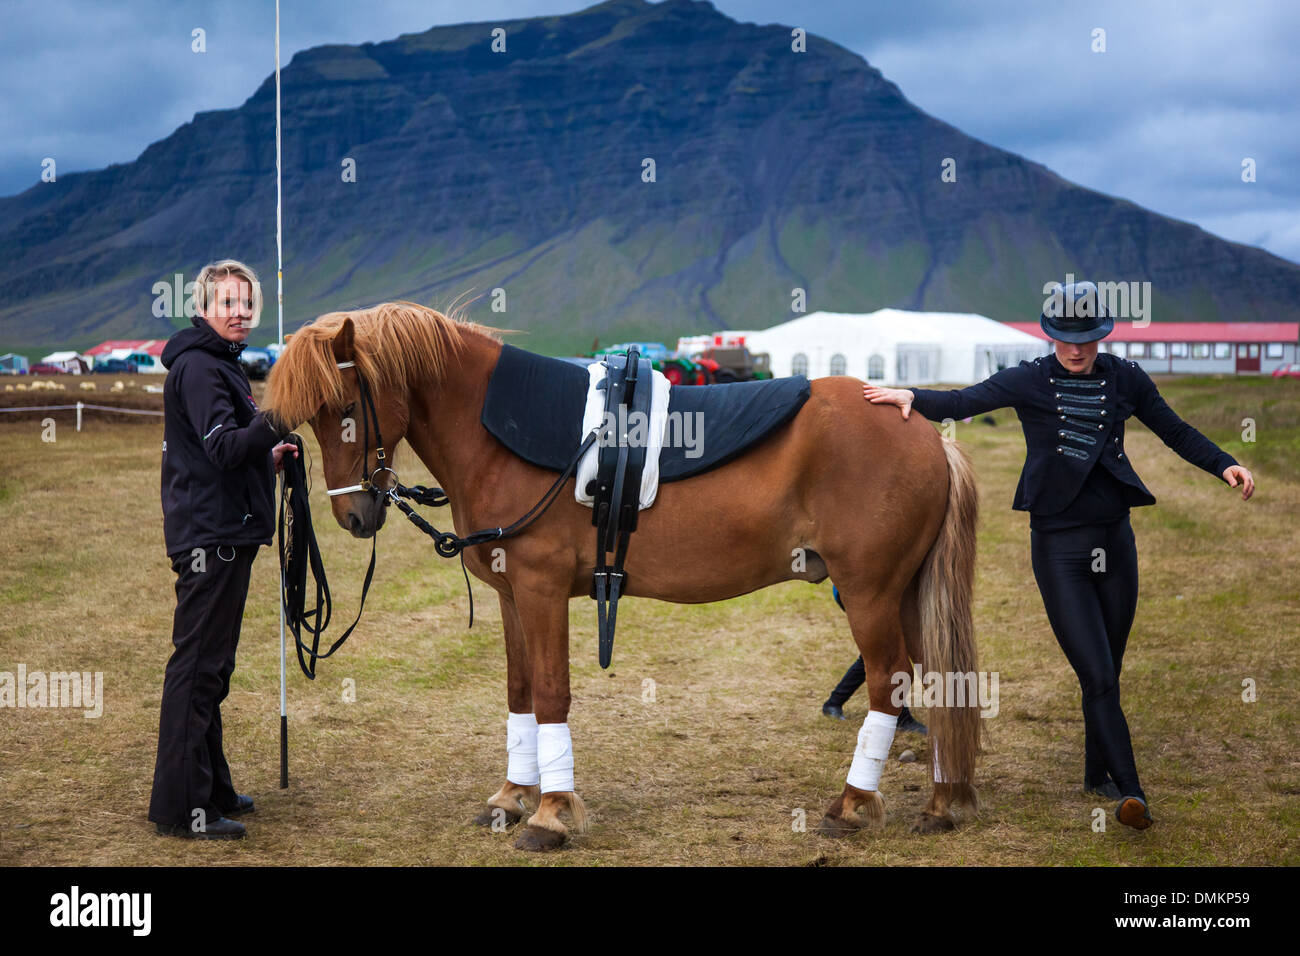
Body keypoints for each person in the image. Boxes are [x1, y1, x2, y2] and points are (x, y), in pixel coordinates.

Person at [863, 282, 1254, 831]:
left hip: (1115, 542)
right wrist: (910, 396)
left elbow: (1174, 430)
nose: (1076, 350)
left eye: (1087, 339)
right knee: (1095, 673)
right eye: (1066, 339)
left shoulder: (1125, 378)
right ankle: (1131, 794)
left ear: (1103, 334)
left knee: (1109, 668)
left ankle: (1098, 771)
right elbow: (964, 401)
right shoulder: (1030, 379)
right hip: (1059, 548)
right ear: (1050, 336)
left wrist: (1223, 464)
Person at [149, 259, 296, 840]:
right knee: (198, 668)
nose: (240, 313)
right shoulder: (202, 369)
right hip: (212, 539)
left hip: (222, 532)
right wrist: (279, 419)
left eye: (246, 304)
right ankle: (187, 808)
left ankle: (210, 788)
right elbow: (222, 448)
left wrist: (270, 451)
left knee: (212, 666)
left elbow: (235, 446)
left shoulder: (217, 366)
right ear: (204, 308)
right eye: (228, 303)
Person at [821, 586, 928, 735]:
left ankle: (834, 702)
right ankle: (901, 717)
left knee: (879, 653)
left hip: (878, 590)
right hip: (865, 590)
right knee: (888, 654)